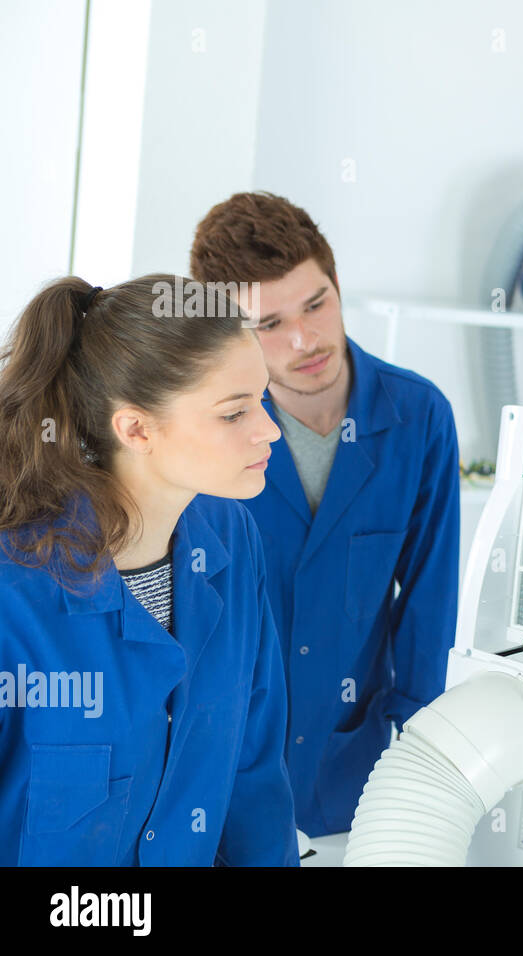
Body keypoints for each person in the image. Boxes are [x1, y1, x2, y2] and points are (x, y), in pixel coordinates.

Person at [0, 275, 298, 866]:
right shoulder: (14, 594)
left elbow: (253, 773)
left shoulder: (233, 543)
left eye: (262, 399)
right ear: (136, 429)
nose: (269, 430)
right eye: (234, 412)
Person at [190, 192, 460, 837]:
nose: (305, 340)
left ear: (337, 283)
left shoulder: (418, 416)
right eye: (269, 324)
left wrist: (423, 764)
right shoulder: (201, 432)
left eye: (316, 304)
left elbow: (429, 602)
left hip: (353, 768)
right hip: (218, 767)